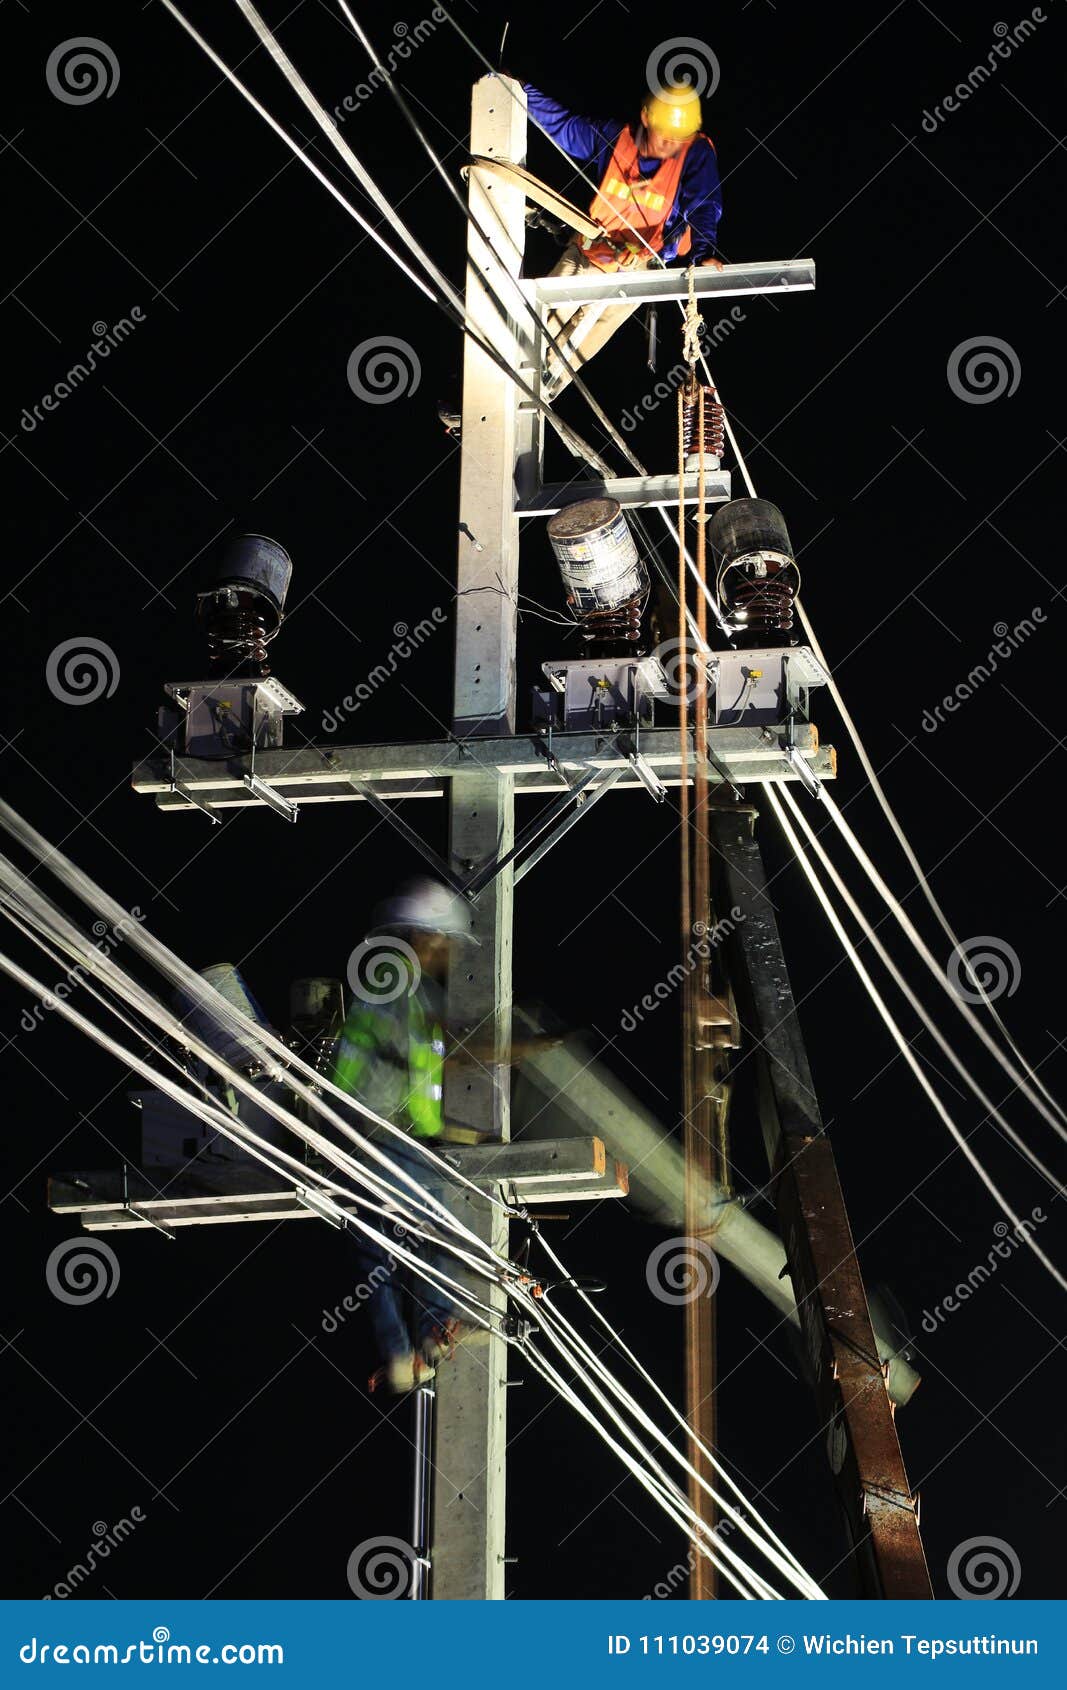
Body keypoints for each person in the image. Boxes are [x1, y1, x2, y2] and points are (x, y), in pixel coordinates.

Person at [330, 878, 484, 1395]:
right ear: (427, 938)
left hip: (357, 1128)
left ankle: (404, 1353)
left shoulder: (400, 986)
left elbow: (414, 1066)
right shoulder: (397, 985)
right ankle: (432, 1328)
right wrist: (439, 1135)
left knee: (378, 1245)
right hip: (374, 1127)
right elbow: (413, 1067)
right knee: (437, 1219)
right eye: (446, 941)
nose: (450, 952)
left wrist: (440, 1131)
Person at [524, 80, 724, 397]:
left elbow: (704, 205)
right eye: (664, 137)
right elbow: (563, 126)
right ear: (645, 117)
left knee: (579, 344)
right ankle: (493, 392)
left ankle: (543, 392)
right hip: (590, 251)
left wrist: (702, 253)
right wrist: (521, 91)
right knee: (537, 326)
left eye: (677, 140)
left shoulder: (694, 153)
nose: (669, 147)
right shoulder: (616, 139)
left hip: (639, 267)